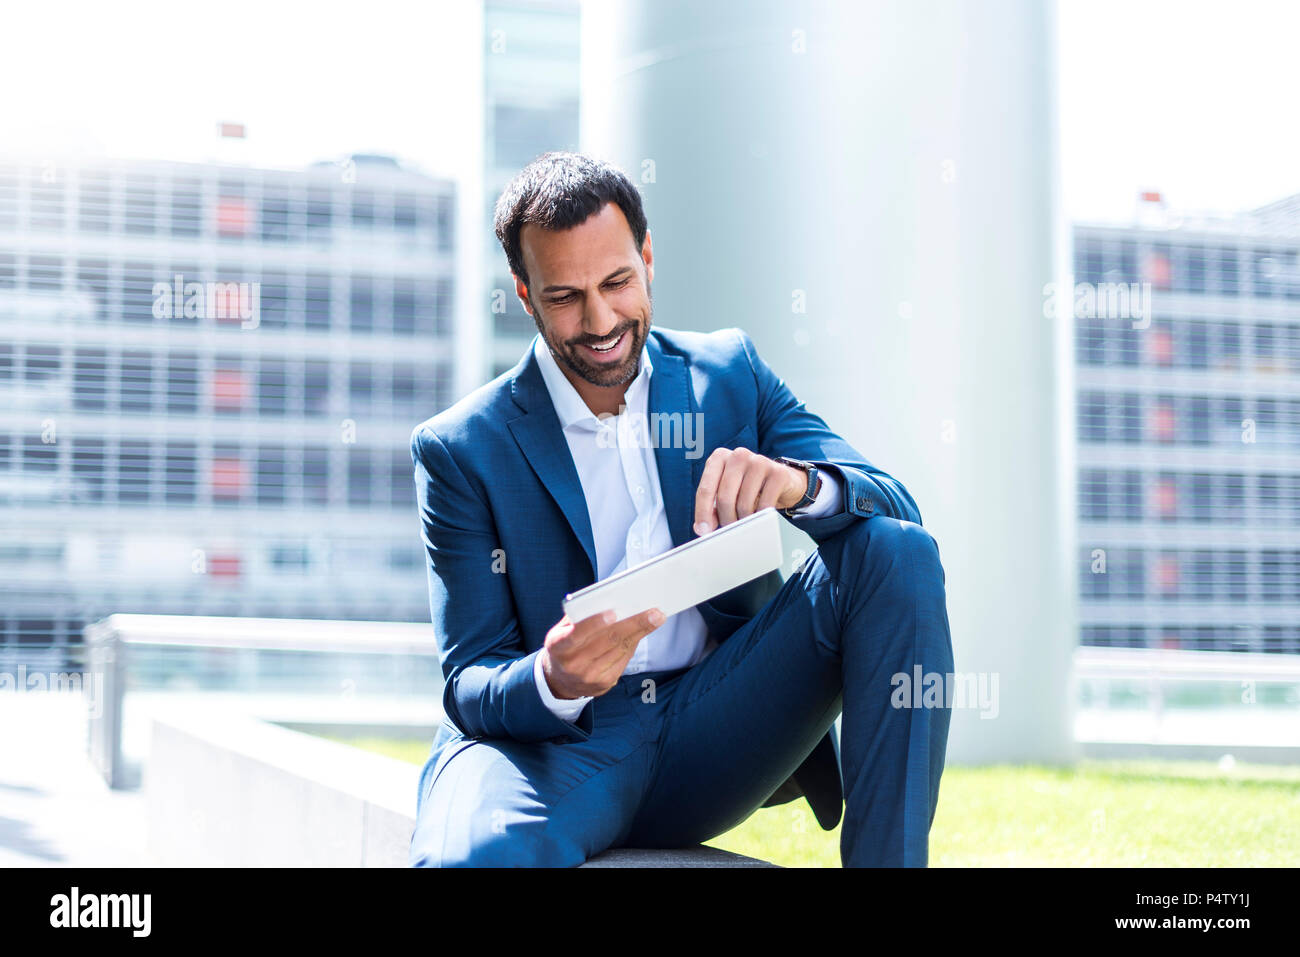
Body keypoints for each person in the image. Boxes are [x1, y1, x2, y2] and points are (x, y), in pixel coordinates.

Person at [407, 151, 954, 867]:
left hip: (717, 722)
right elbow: (470, 678)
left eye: (617, 282)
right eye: (566, 296)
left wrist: (796, 484)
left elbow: (894, 501)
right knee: (468, 861)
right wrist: (554, 676)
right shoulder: (461, 448)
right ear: (523, 292)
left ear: (648, 257)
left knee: (895, 551)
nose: (600, 320)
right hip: (559, 749)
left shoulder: (729, 372)